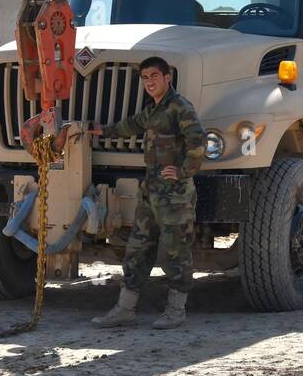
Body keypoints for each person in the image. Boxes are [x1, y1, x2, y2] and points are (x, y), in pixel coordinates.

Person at [76, 57, 206, 329]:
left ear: (167, 77)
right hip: (151, 192)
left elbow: (198, 140)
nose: (149, 82)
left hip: (175, 195)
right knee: (137, 248)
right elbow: (131, 126)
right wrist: (99, 131)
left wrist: (183, 171)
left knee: (176, 251)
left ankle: (175, 310)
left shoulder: (179, 107)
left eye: (154, 76)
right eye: (145, 77)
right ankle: (125, 308)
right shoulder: (154, 110)